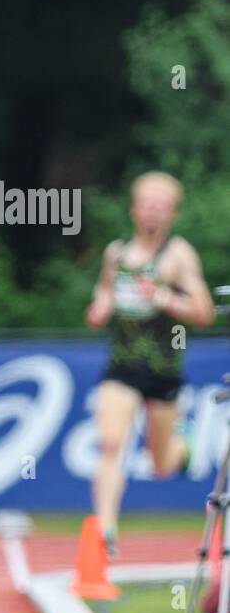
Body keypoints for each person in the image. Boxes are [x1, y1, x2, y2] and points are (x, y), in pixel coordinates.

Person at [85, 171, 214, 553]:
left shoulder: (178, 255)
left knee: (161, 465)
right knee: (110, 444)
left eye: (161, 206)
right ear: (134, 208)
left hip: (163, 371)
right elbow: (103, 296)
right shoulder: (117, 253)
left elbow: (204, 312)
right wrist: (99, 308)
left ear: (173, 213)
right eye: (147, 204)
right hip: (121, 368)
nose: (152, 213)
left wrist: (163, 298)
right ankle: (105, 529)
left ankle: (181, 448)